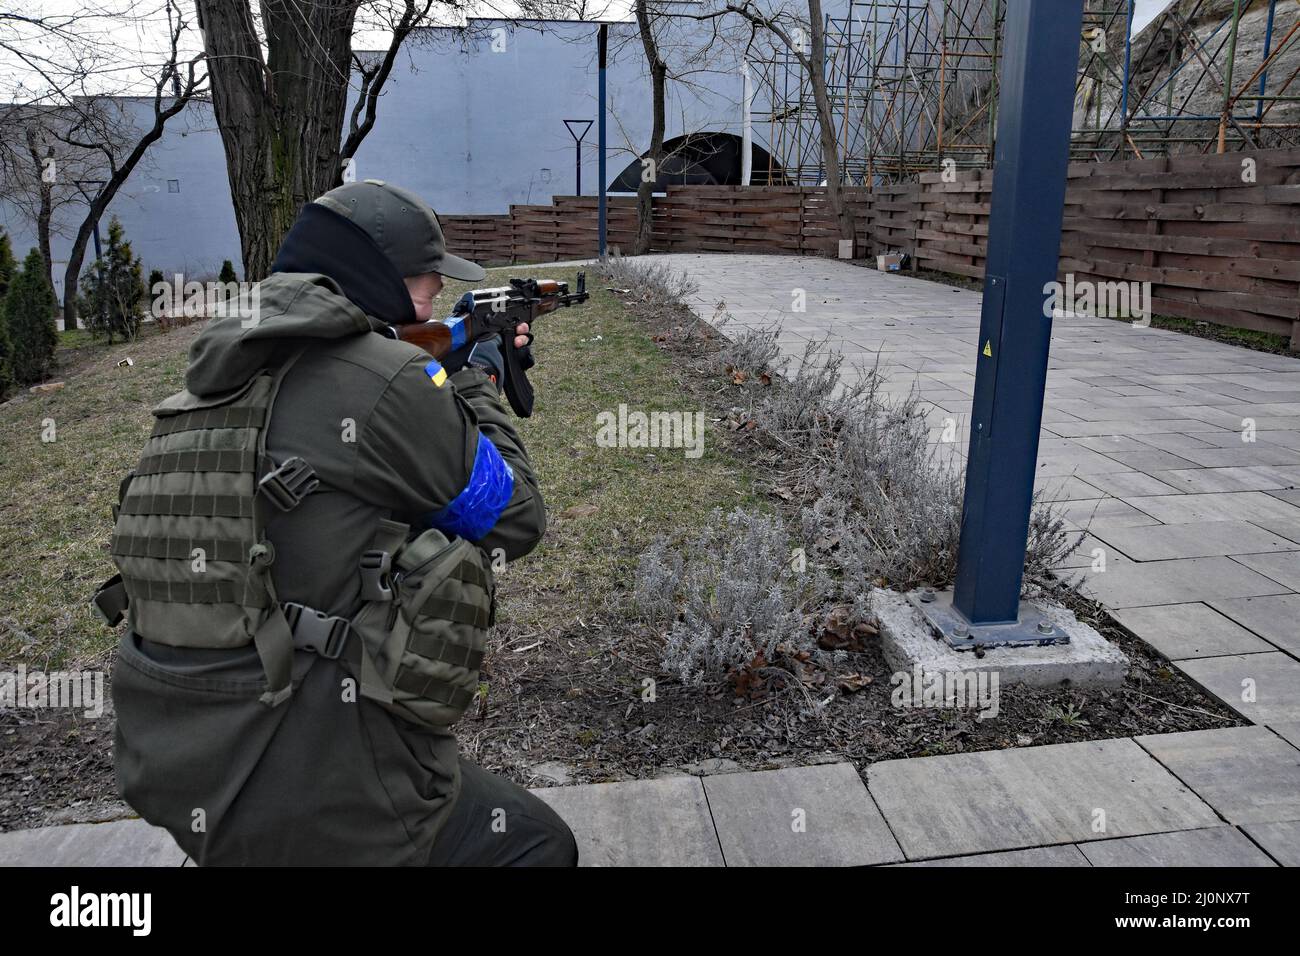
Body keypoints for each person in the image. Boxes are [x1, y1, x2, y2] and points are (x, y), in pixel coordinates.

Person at [107, 180, 578, 866]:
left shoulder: (198, 393)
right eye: (425, 285)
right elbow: (516, 519)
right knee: (535, 844)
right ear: (378, 277)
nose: (432, 303)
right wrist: (472, 378)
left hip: (178, 768)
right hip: (310, 781)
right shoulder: (386, 379)